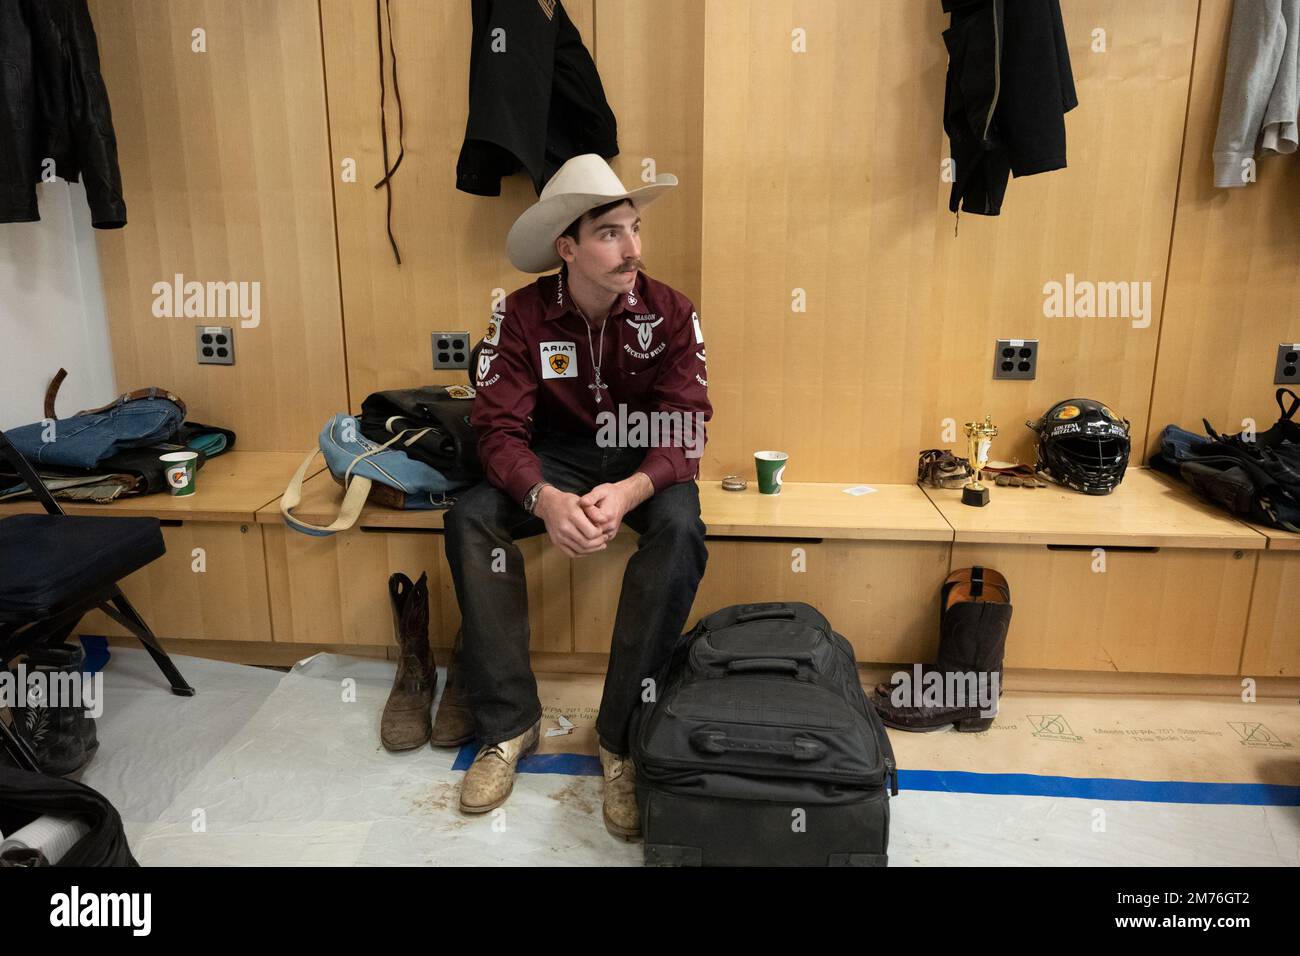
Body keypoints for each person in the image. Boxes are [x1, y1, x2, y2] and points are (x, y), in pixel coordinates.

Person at [445, 154, 711, 840]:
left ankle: (619, 738)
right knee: (472, 517)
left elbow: (686, 426)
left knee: (681, 528)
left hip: (642, 459)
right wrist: (544, 499)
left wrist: (627, 492)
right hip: (553, 455)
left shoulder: (672, 311)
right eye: (611, 233)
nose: (633, 249)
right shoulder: (520, 316)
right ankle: (509, 725)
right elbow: (495, 428)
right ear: (568, 247)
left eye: (635, 229)